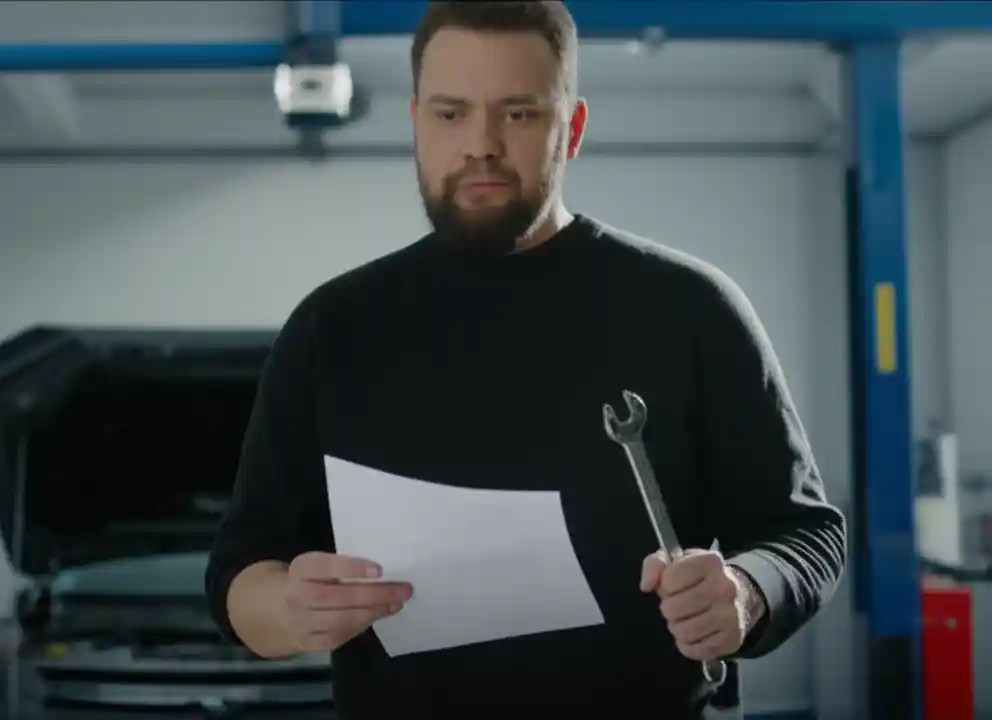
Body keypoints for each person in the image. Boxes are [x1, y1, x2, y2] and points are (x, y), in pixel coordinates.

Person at [204, 1, 847, 717]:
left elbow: (806, 535)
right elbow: (239, 569)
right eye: (451, 114)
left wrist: (748, 591)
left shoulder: (691, 308)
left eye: (517, 113)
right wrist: (286, 610)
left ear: (572, 128)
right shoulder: (331, 328)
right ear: (417, 122)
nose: (480, 145)